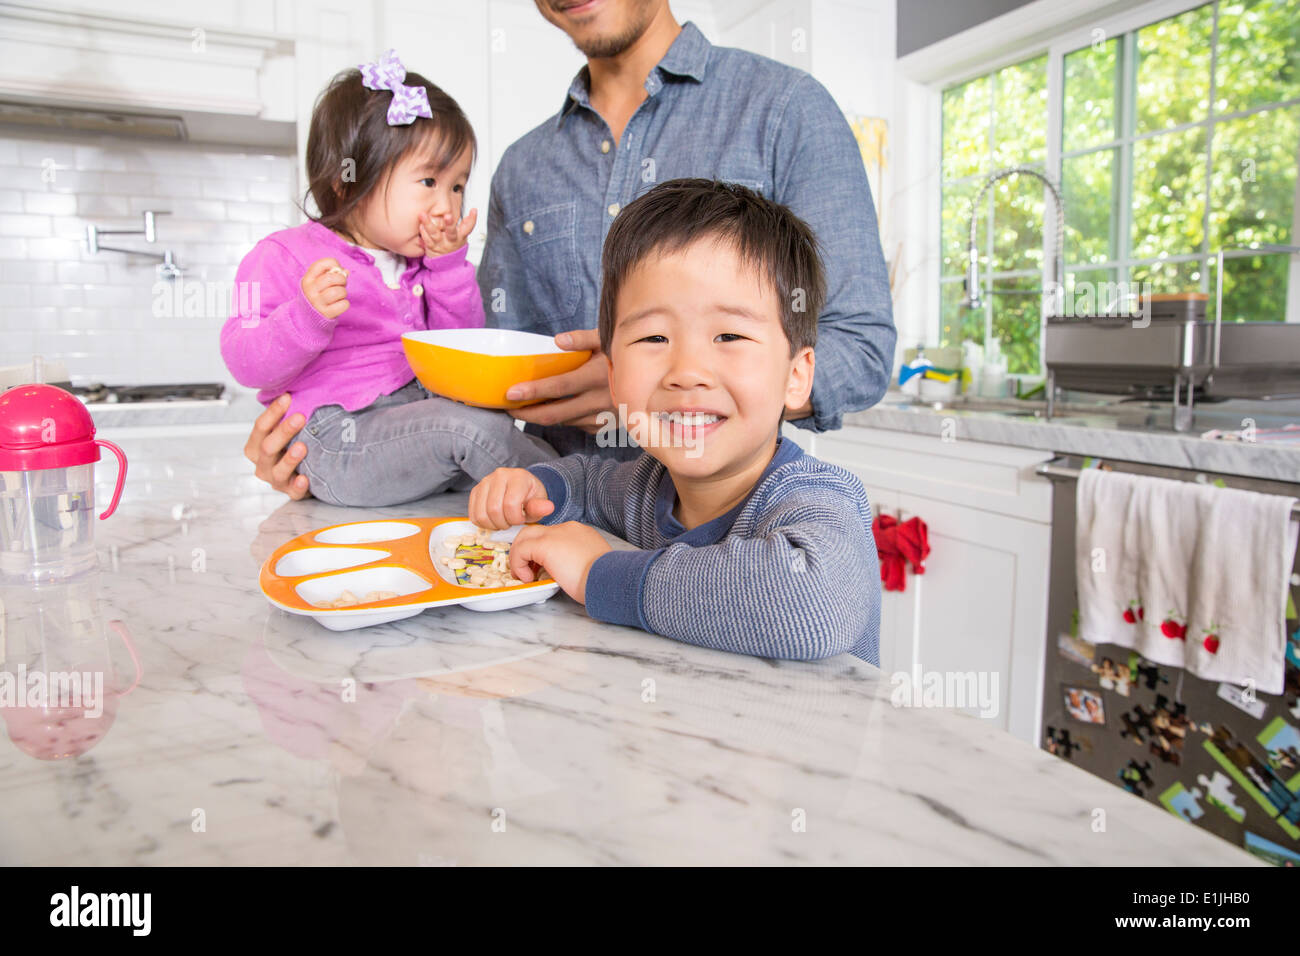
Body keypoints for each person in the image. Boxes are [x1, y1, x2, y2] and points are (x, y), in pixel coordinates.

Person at [244, 0, 895, 498]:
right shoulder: (524, 168)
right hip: (548, 525)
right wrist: (336, 446)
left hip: (729, 535)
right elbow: (483, 368)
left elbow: (860, 352)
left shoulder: (786, 111)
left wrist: (648, 391)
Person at [468, 180, 880, 662]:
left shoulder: (816, 502)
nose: (687, 372)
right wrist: (534, 489)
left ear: (795, 376)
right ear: (616, 377)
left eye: (728, 335)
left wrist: (601, 573)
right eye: (653, 338)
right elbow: (586, 482)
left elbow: (813, 605)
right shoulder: (645, 487)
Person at [221, 51, 555, 506]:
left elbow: (459, 351)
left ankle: (577, 484)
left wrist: (448, 268)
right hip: (337, 437)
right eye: (429, 182)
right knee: (468, 430)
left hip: (415, 424)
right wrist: (305, 316)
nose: (447, 205)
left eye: (457, 186)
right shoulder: (283, 255)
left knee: (484, 423)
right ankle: (569, 497)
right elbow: (245, 360)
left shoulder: (425, 266)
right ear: (349, 181)